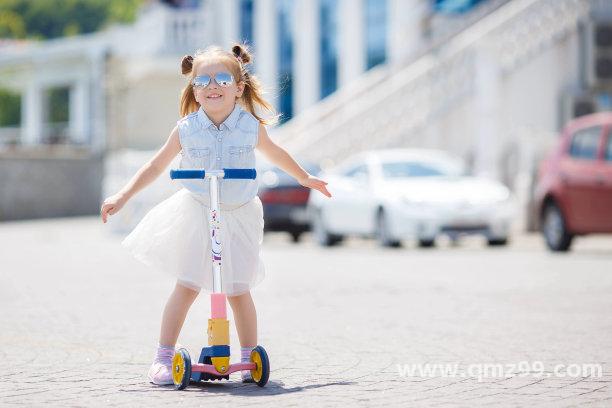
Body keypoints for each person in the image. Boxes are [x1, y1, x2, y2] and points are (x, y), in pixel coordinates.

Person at [100, 44, 331, 385]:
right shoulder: (186, 128)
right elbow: (156, 165)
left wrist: (304, 177)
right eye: (202, 80)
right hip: (198, 212)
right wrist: (123, 195)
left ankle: (249, 356)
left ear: (238, 87)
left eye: (222, 78)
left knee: (238, 288)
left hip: (239, 214)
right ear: (192, 89)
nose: (211, 85)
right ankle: (163, 356)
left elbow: (276, 153)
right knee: (188, 285)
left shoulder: (250, 126)